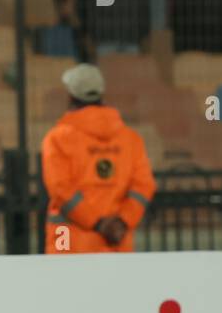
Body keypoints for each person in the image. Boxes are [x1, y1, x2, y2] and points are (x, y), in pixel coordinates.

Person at [42, 63, 155, 254]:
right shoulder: (131, 139)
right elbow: (144, 187)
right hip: (116, 242)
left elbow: (61, 190)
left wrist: (98, 223)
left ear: (70, 96)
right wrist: (121, 222)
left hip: (68, 244)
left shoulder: (57, 139)